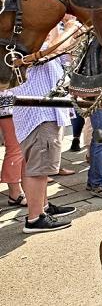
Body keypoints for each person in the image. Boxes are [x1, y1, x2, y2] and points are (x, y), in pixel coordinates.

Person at [8, 46, 76, 233]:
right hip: (38, 113)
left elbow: (63, 57)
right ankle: (35, 218)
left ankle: (43, 207)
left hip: (47, 109)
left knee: (41, 167)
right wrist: (70, 29)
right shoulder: (21, 40)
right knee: (37, 169)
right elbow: (44, 53)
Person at [1, 94, 25, 207]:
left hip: (9, 105)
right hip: (6, 106)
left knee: (15, 149)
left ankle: (16, 192)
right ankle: (15, 193)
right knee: (15, 149)